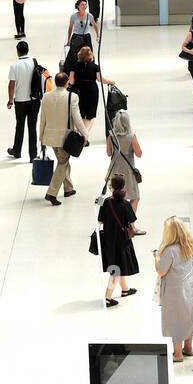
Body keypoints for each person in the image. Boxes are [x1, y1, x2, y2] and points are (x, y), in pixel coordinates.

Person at [155, 216, 193, 362]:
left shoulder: (169, 251)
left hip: (175, 291)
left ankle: (177, 354)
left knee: (175, 320)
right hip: (191, 287)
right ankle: (188, 348)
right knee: (188, 318)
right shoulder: (189, 244)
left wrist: (156, 258)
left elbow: (161, 271)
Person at [38, 71, 87, 206]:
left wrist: (41, 136)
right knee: (63, 162)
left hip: (51, 137)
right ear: (67, 83)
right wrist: (85, 135)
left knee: (62, 160)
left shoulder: (46, 96)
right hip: (65, 138)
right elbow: (77, 117)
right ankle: (52, 193)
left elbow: (42, 119)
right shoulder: (72, 96)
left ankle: (69, 188)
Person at [96, 175, 139, 304]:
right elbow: (132, 224)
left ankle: (125, 289)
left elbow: (100, 220)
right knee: (116, 269)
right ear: (123, 186)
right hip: (122, 241)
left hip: (109, 241)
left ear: (111, 186)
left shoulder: (106, 202)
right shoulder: (125, 204)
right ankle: (108, 298)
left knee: (118, 266)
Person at [106, 107, 144, 227]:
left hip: (115, 169)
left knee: (116, 197)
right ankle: (130, 225)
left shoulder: (111, 136)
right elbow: (139, 154)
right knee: (134, 197)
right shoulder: (131, 137)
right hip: (128, 171)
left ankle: (117, 222)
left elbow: (108, 153)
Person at [68, 44, 113, 134]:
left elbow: (71, 81)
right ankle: (85, 135)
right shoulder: (95, 67)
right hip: (91, 90)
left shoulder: (75, 66)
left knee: (80, 112)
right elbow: (100, 79)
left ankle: (79, 133)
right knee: (90, 114)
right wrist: (110, 82)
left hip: (78, 90)